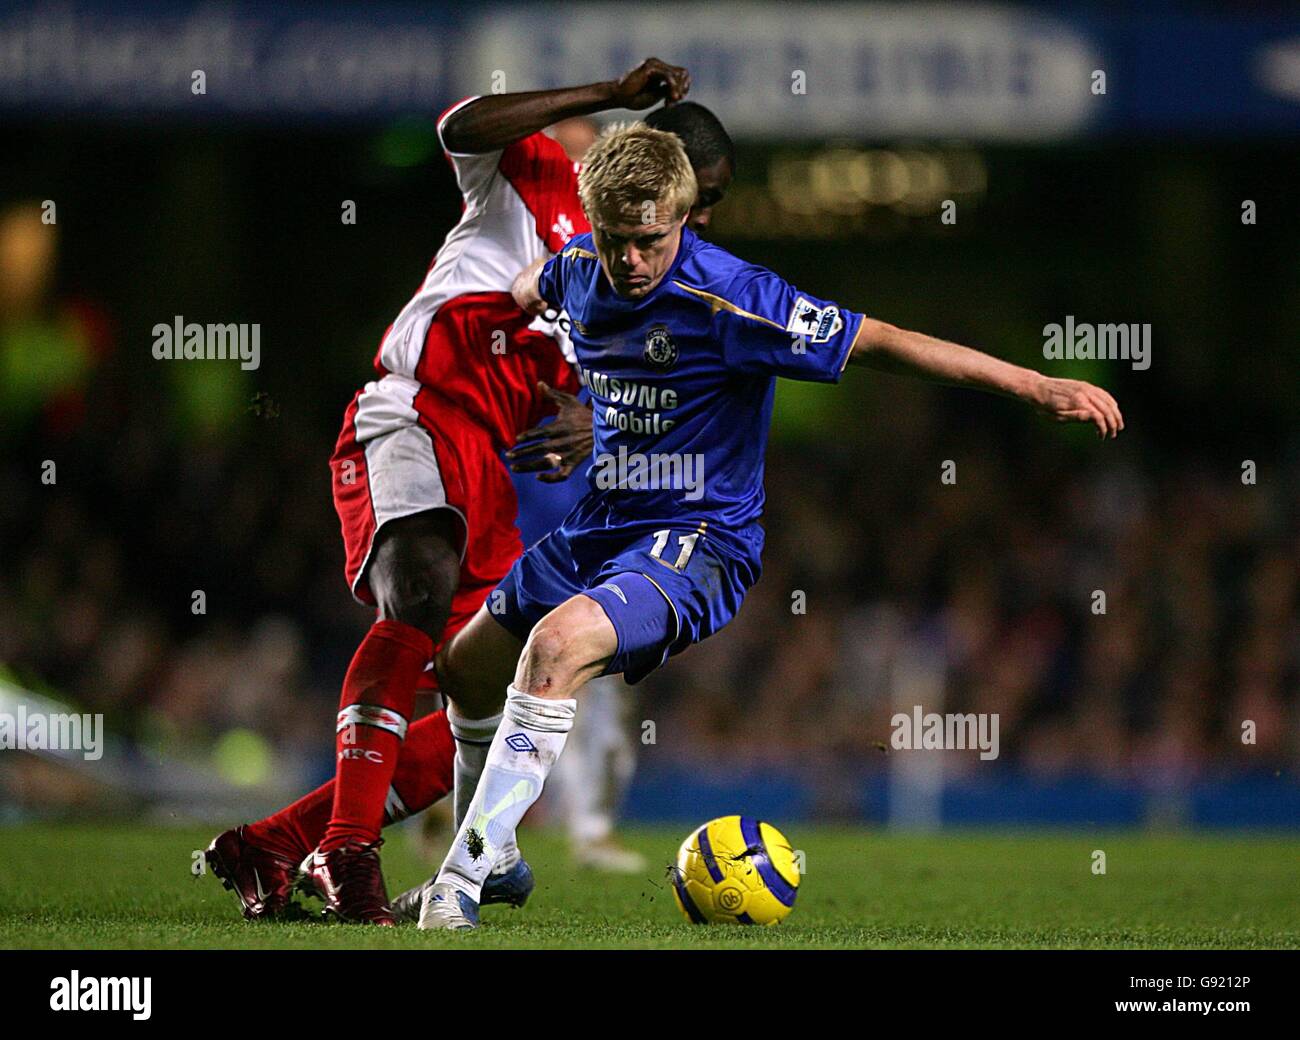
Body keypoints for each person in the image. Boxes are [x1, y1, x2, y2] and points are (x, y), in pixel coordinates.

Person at [408, 123, 1123, 930]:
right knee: (464, 670)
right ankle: (495, 856)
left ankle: (458, 885)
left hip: (698, 541)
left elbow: (883, 342)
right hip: (601, 524)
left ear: (683, 217)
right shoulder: (581, 271)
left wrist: (1033, 385)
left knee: (558, 646)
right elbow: (534, 284)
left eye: (650, 240)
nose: (634, 261)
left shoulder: (735, 297)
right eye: (617, 241)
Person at [204, 70, 740, 925]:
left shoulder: (633, 277)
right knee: (415, 593)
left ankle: (273, 843)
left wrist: (588, 422)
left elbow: (611, 392)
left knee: (476, 692)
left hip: (487, 466)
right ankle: (349, 850)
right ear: (659, 160)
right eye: (701, 196)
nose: (703, 218)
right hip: (417, 408)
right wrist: (607, 93)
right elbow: (463, 124)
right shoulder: (531, 167)